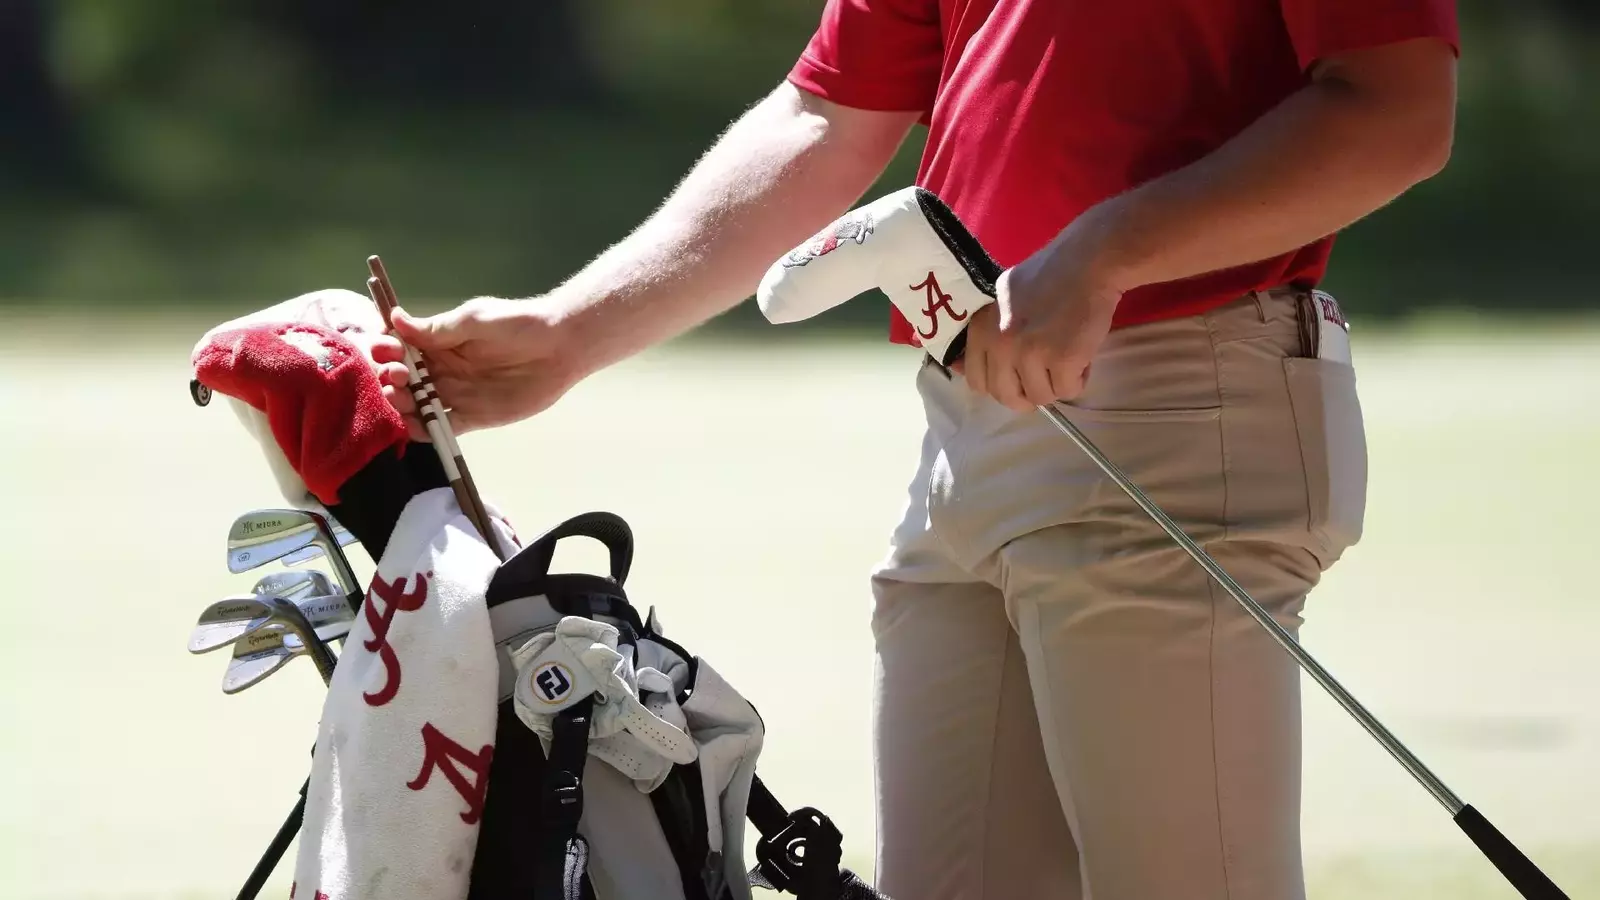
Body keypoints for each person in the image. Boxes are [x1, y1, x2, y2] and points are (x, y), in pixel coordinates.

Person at [368, 3, 1460, 898]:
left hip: (1182, 399)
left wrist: (1107, 251)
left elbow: (1396, 108)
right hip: (967, 430)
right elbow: (827, 112)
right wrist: (570, 331)